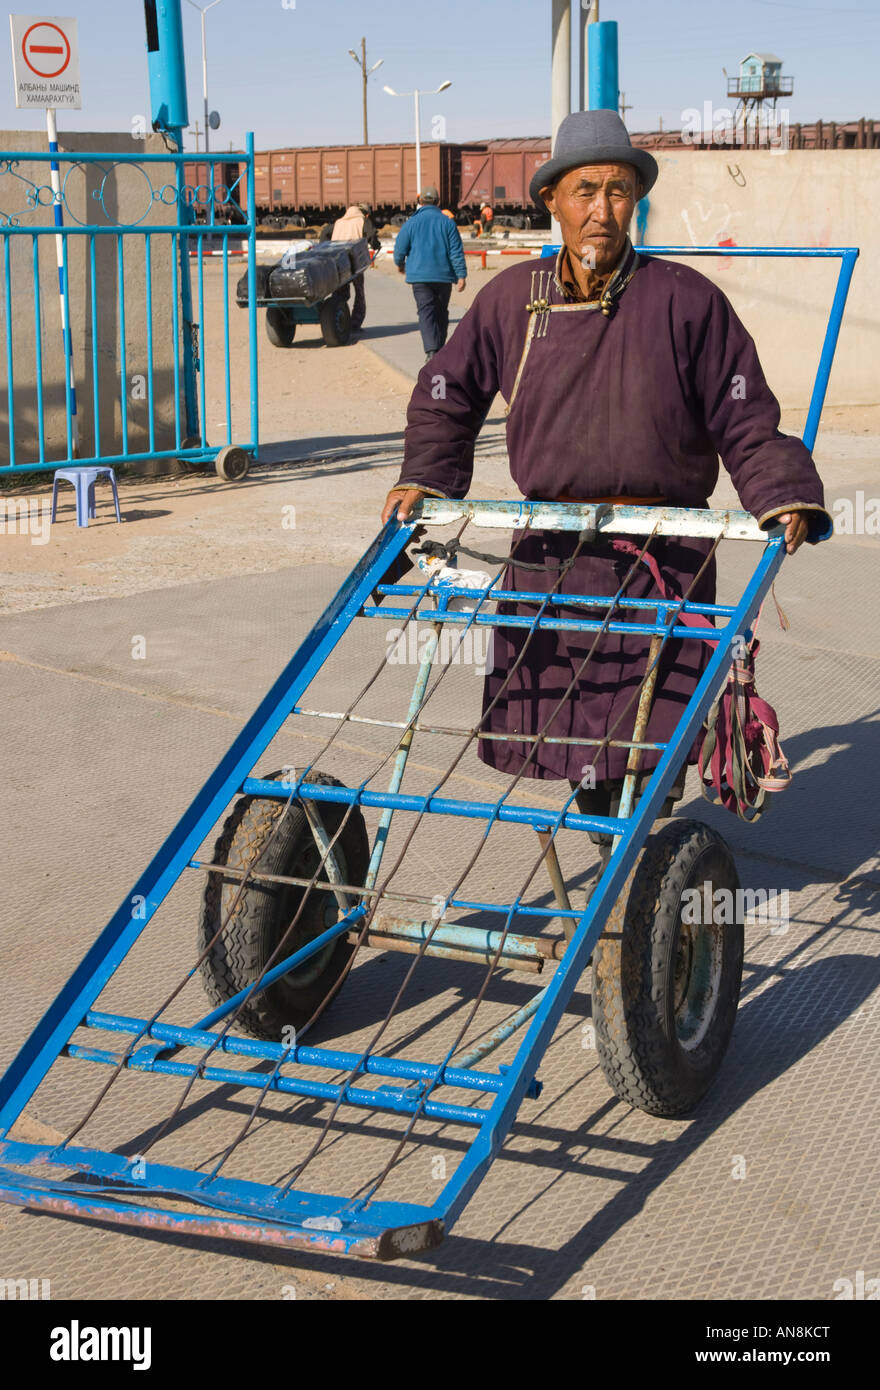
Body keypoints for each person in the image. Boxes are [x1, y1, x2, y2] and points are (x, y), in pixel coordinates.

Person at [381, 110, 831, 842]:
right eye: (584, 189)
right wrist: (423, 480)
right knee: (578, 740)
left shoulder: (686, 300)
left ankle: (637, 861)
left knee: (650, 739)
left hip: (666, 557)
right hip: (556, 557)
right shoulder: (511, 300)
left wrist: (781, 494)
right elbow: (446, 394)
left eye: (619, 191)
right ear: (552, 199)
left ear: (635, 202)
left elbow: (744, 414)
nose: (601, 209)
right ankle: (614, 850)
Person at [393, 185, 467, 361]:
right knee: (442, 312)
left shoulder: (411, 223)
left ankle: (431, 351)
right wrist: (461, 275)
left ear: (420, 201)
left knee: (426, 312)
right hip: (443, 277)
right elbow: (456, 251)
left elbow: (400, 249)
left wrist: (400, 264)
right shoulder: (447, 223)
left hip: (419, 277)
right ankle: (439, 349)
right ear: (438, 202)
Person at [320, 202, 381, 333]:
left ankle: (337, 321)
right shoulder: (363, 220)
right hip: (355, 262)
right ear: (366, 213)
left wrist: (325, 247)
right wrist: (376, 245)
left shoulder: (339, 222)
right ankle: (355, 324)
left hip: (338, 262)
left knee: (339, 293)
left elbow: (324, 233)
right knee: (359, 293)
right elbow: (371, 236)